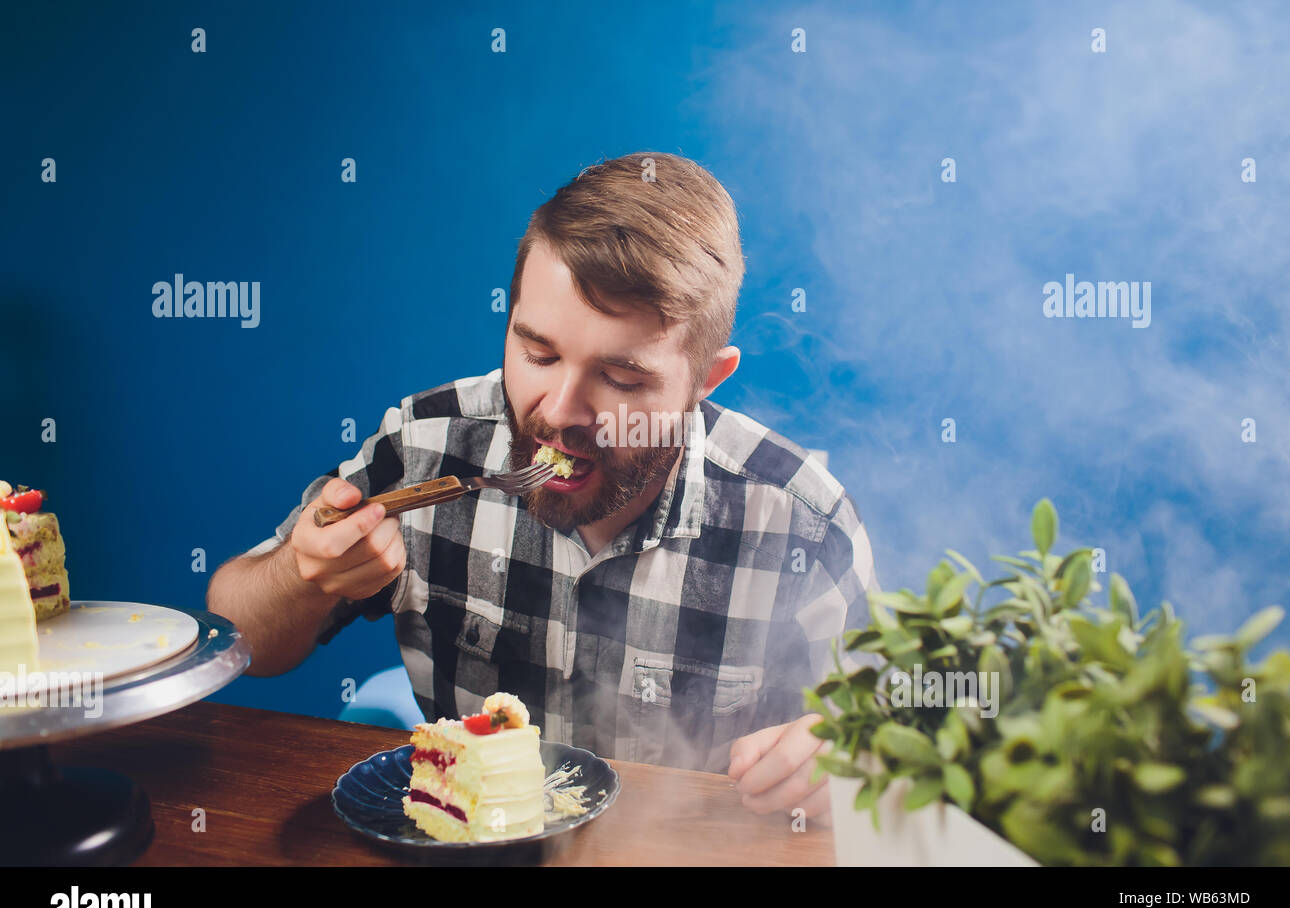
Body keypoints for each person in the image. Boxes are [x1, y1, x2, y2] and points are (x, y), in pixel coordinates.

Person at [207, 152, 880, 821]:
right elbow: (239, 638)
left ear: (705, 381)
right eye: (538, 353)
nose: (559, 410)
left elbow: (901, 752)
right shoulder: (423, 449)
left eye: (620, 379)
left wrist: (858, 764)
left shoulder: (803, 526)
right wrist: (302, 572)